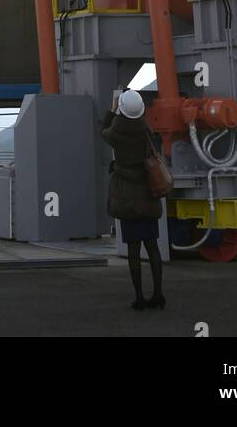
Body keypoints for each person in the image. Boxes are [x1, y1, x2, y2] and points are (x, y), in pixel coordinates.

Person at [101, 89, 165, 311]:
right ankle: (158, 294)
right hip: (147, 194)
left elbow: (103, 130)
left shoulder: (117, 133)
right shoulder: (145, 128)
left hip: (127, 198)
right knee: (153, 246)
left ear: (122, 110)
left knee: (133, 250)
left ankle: (139, 297)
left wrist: (112, 108)